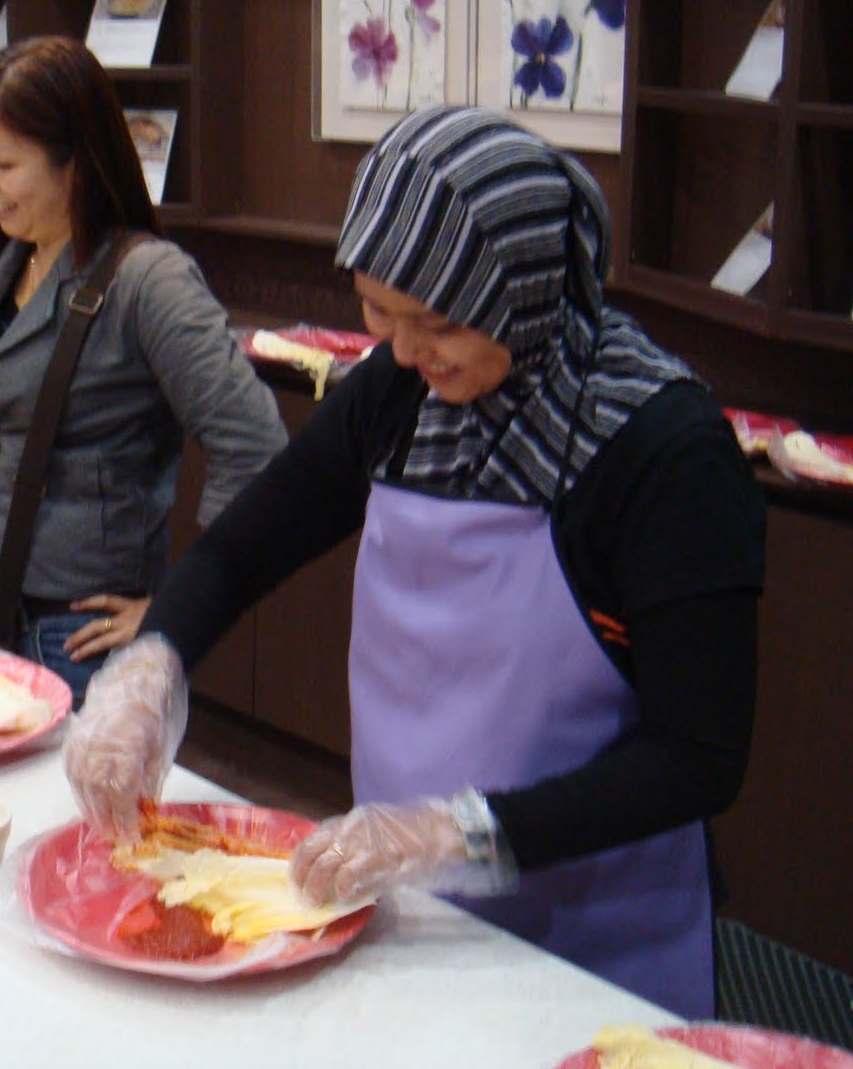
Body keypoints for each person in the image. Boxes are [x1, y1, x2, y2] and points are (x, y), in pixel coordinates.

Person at [63, 106, 765, 1018]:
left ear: (524, 291)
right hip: (403, 897)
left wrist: (462, 832)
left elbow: (698, 757)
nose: (397, 349)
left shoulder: (663, 450)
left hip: (593, 929)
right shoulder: (398, 392)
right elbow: (244, 548)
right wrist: (148, 668)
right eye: (375, 309)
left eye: (432, 320)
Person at [0, 35, 286, 702]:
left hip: (75, 637)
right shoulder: (15, 250)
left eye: (4, 162)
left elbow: (256, 445)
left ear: (75, 160)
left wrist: (175, 608)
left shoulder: (148, 278)